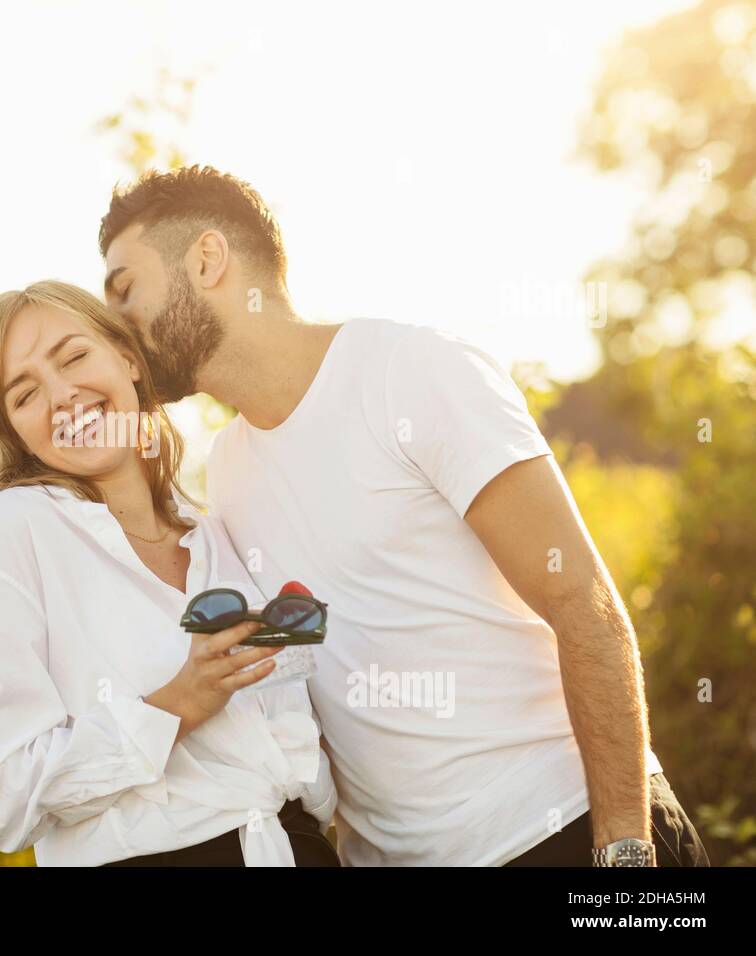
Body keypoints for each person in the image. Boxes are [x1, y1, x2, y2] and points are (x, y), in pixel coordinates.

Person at [97, 165, 709, 867]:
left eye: (125, 289)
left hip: (566, 830)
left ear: (207, 260)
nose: (115, 330)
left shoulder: (409, 371)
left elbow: (582, 600)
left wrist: (625, 850)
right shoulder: (228, 470)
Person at [0, 279, 339, 866]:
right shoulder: (11, 534)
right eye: (24, 394)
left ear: (127, 358)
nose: (62, 396)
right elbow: (0, 794)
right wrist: (175, 706)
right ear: (14, 431)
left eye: (73, 356)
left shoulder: (217, 534)